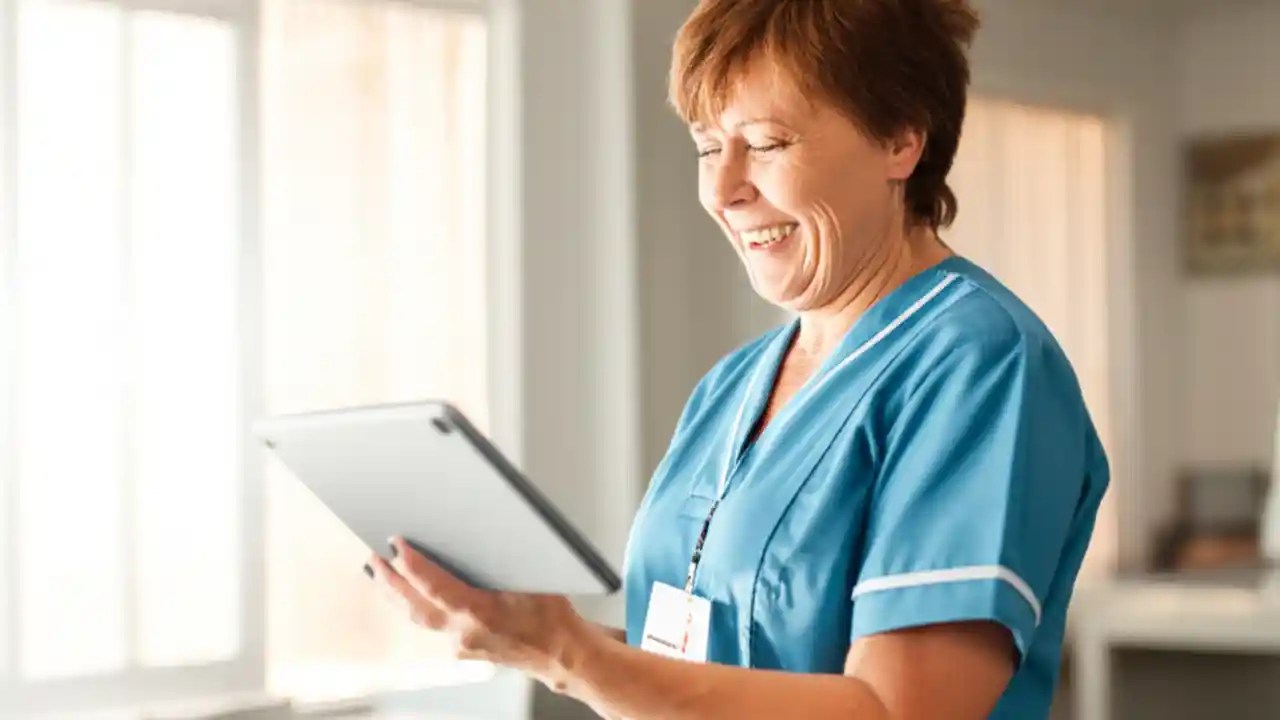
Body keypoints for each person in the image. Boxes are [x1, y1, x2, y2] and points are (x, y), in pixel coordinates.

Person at [366, 0, 1109, 717]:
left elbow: (896, 711)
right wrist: (533, 637)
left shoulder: (979, 364)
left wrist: (570, 655)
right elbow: (716, 666)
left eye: (767, 143)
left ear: (900, 140)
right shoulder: (732, 386)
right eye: (706, 147)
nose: (723, 189)